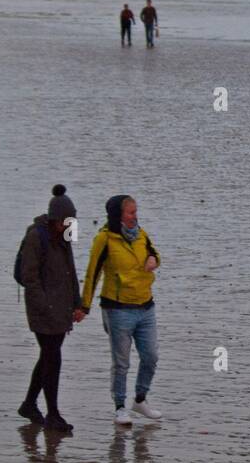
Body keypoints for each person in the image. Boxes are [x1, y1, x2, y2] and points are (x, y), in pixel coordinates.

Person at [81, 195, 162, 426]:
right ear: (118, 215)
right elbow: (92, 273)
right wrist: (83, 306)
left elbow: (155, 254)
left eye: (136, 212)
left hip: (146, 307)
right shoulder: (104, 240)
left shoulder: (141, 234)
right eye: (130, 213)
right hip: (117, 310)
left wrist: (154, 261)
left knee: (151, 356)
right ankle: (119, 407)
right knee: (121, 362)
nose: (135, 216)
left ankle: (140, 399)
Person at [18, 185, 84, 433]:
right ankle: (53, 413)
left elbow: (71, 270)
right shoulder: (36, 236)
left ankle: (29, 404)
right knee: (52, 357)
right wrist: (44, 306)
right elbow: (29, 277)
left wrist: (77, 303)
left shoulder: (64, 236)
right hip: (43, 310)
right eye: (66, 222)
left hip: (62, 306)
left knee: (48, 356)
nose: (70, 226)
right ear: (55, 219)